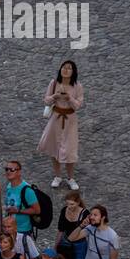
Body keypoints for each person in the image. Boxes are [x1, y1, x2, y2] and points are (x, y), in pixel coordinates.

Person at [40, 61, 83, 190]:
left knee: (70, 149)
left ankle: (70, 178)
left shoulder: (77, 86)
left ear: (73, 71)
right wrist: (55, 96)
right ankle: (57, 176)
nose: (66, 70)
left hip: (70, 120)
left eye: (69, 68)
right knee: (55, 147)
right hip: (56, 119)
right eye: (64, 67)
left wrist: (69, 98)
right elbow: (46, 100)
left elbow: (78, 105)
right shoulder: (54, 83)